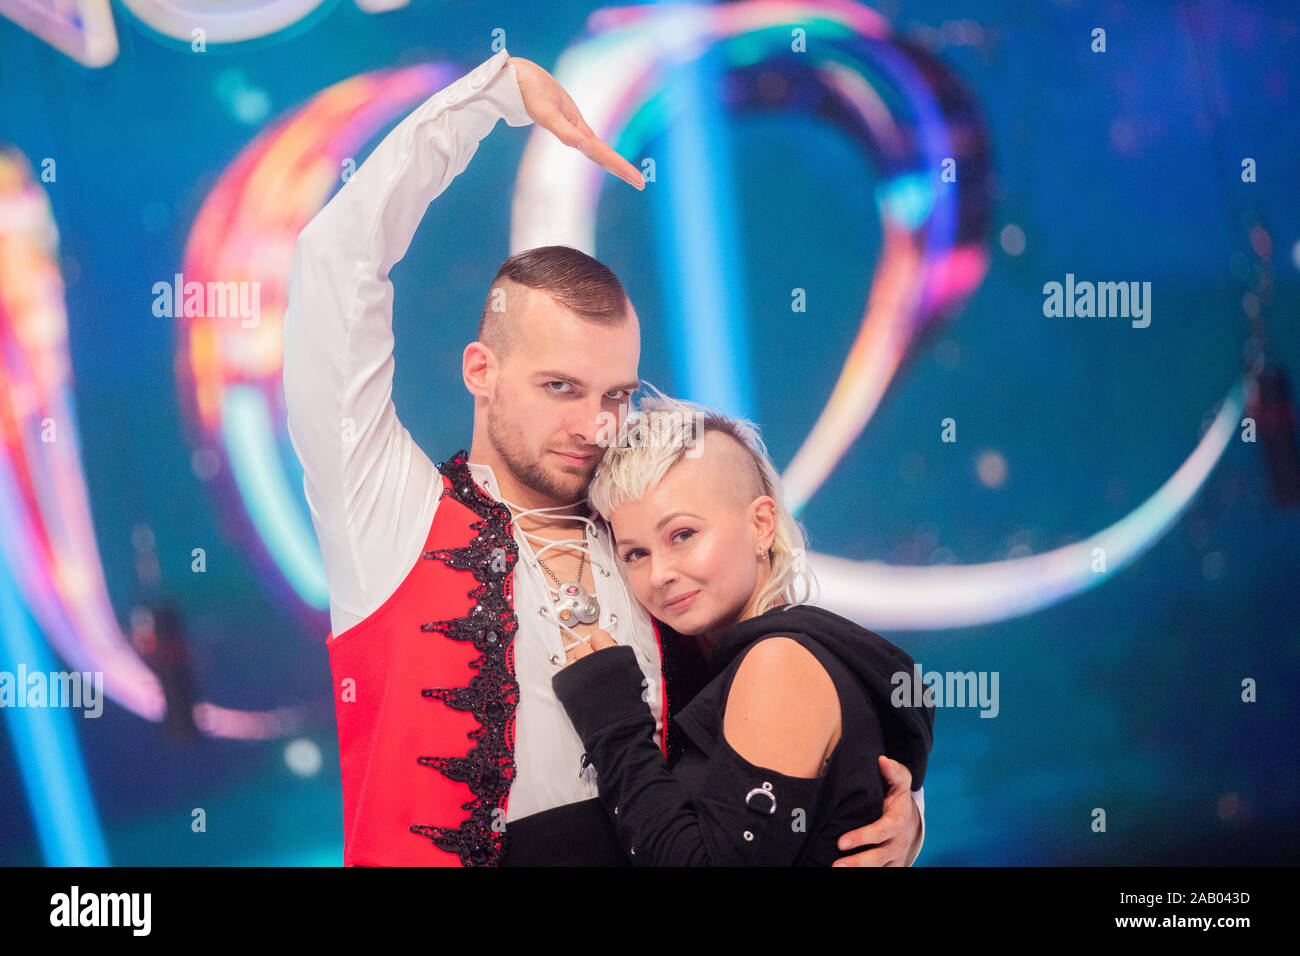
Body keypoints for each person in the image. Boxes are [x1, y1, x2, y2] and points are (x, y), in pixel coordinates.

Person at [283, 45, 926, 866]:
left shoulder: (645, 547)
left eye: (616, 394)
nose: (595, 424)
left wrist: (883, 811)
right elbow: (333, 265)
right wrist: (492, 95)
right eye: (560, 387)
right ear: (481, 370)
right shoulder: (384, 508)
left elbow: (772, 729)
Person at [552, 391, 935, 865]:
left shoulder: (778, 662)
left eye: (683, 535)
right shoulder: (763, 656)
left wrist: (612, 721)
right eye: (636, 553)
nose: (659, 574)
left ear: (760, 525)